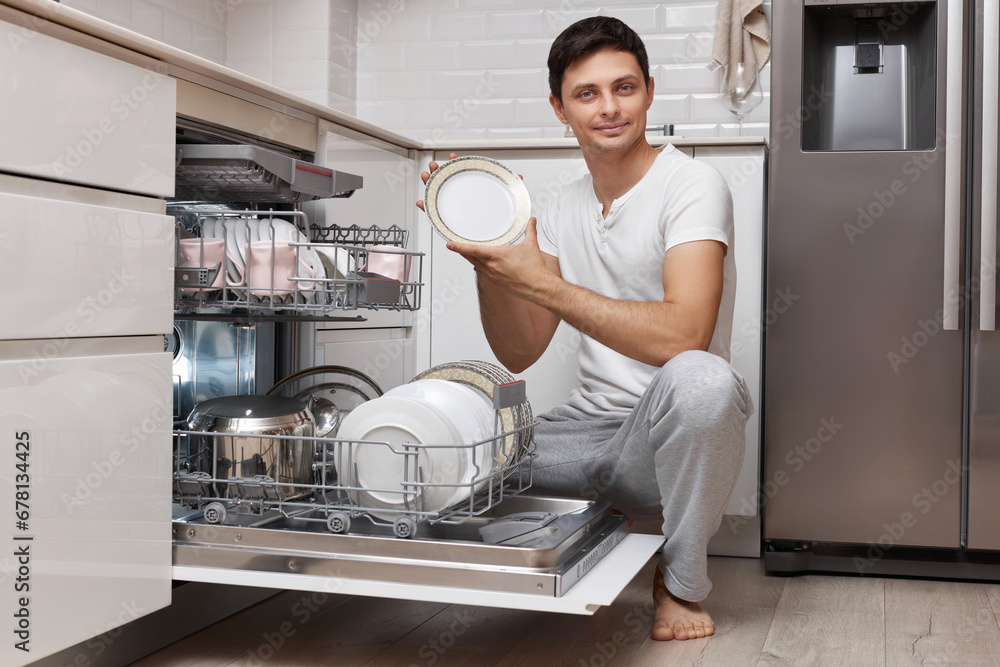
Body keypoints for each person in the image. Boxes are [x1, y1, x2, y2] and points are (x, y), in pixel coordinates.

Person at [418, 16, 751, 641]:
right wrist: (491, 264)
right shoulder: (563, 203)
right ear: (559, 108)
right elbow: (520, 349)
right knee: (457, 429)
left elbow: (684, 337)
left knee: (703, 380)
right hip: (577, 440)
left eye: (623, 88)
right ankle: (562, 531)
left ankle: (681, 583)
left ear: (649, 91)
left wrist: (540, 279)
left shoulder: (692, 184)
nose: (609, 108)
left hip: (657, 444)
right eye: (587, 94)